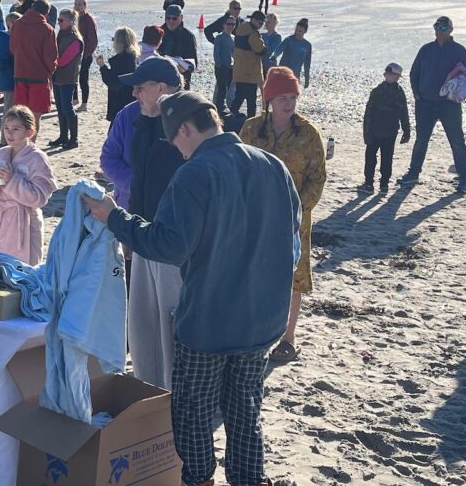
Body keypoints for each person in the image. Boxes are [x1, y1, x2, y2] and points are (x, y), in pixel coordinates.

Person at [84, 90, 301, 486]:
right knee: (245, 409)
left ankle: (200, 479)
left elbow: (169, 246)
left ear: (184, 128)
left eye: (175, 141)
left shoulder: (195, 172)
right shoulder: (273, 166)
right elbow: (293, 244)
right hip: (263, 320)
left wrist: (116, 218)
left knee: (193, 411)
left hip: (208, 322)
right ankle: (249, 479)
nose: (179, 152)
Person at [240, 66, 326, 363]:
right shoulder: (251, 129)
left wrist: (297, 209)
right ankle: (253, 331)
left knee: (293, 277)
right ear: (269, 100)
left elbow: (317, 178)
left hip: (293, 220)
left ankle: (288, 338)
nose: (288, 104)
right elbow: (239, 169)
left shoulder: (309, 133)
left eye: (293, 97)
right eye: (282, 98)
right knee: (252, 271)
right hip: (255, 217)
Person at [111, 57, 185, 391]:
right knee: (141, 322)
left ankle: (172, 394)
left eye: (141, 87)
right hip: (142, 235)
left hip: (172, 242)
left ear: (162, 88)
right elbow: (137, 182)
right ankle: (148, 391)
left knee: (170, 324)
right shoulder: (138, 121)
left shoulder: (184, 128)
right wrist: (129, 231)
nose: (135, 92)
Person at [399, 16, 466, 194]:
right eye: (436, 27)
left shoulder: (459, 50)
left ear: (450, 30)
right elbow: (414, 73)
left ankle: (464, 177)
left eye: (443, 27)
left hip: (449, 105)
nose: (439, 31)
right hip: (425, 103)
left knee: (456, 141)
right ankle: (413, 174)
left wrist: (459, 93)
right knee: (421, 140)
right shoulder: (426, 49)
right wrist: (416, 93)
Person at [0, 106, 57, 264]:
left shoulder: (37, 159)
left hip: (25, 222)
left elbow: (39, 198)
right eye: (6, 128)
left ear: (29, 132)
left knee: (23, 270)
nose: (9, 133)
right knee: (0, 267)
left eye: (16, 129)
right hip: (3, 219)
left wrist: (12, 180)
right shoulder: (2, 154)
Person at [9, 0, 57, 138]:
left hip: (20, 73)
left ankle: (20, 144)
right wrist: (50, 72)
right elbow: (51, 57)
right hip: (39, 76)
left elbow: (12, 48)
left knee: (20, 115)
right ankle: (30, 145)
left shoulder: (17, 24)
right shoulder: (47, 29)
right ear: (46, 13)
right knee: (35, 116)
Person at [359, 63, 411, 194]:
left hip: (389, 131)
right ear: (385, 75)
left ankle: (383, 184)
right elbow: (368, 113)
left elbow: (404, 113)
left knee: (386, 158)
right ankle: (370, 183)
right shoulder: (377, 91)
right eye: (389, 74)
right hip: (376, 130)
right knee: (372, 157)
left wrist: (406, 130)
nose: (392, 77)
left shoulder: (398, 93)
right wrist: (366, 132)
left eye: (394, 75)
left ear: (398, 77)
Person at [50, 9, 84, 149]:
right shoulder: (61, 34)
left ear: (71, 21)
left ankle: (74, 138)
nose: (59, 23)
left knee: (67, 108)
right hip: (58, 76)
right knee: (60, 107)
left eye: (61, 20)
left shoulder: (75, 39)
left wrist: (50, 61)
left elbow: (64, 60)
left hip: (68, 77)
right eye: (58, 20)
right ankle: (63, 136)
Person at [98, 26, 139, 125]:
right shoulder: (132, 57)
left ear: (119, 42)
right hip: (129, 100)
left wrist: (102, 67)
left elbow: (114, 83)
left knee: (116, 130)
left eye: (114, 40)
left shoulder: (121, 60)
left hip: (121, 102)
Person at [230, 10, 267, 118]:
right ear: (253, 20)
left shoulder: (241, 28)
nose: (260, 26)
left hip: (239, 71)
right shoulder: (252, 33)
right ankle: (251, 120)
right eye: (259, 23)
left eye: (262, 24)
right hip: (250, 73)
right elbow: (260, 49)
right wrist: (263, 45)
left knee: (239, 96)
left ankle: (232, 115)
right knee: (251, 101)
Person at [159, 4, 198, 90]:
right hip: (160, 79)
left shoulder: (188, 36)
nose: (171, 21)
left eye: (174, 18)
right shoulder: (158, 33)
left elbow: (193, 62)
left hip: (180, 80)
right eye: (168, 18)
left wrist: (179, 64)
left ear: (181, 18)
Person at [0, 12, 19, 144]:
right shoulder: (4, 38)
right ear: (10, 24)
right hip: (9, 78)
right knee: (8, 110)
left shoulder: (14, 37)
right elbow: (2, 61)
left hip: (14, 77)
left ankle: (10, 139)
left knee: (13, 110)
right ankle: (4, 140)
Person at [272, 18, 312, 88]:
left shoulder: (307, 45)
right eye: (296, 30)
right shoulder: (289, 40)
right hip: (283, 73)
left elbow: (307, 63)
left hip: (295, 75)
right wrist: (274, 56)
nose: (297, 32)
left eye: (300, 31)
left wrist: (307, 79)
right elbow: (279, 49)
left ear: (305, 31)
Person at [73, 0, 98, 111]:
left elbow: (93, 40)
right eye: (76, 4)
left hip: (85, 54)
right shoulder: (73, 17)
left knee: (83, 78)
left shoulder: (88, 19)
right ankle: (74, 99)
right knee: (73, 77)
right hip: (74, 54)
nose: (77, 6)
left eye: (80, 4)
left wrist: (87, 53)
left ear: (84, 6)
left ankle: (84, 103)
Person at [213, 16, 235, 115]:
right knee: (221, 89)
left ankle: (229, 106)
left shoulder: (233, 37)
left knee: (230, 89)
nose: (230, 26)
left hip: (230, 67)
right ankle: (219, 107)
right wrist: (219, 64)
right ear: (224, 25)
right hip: (221, 67)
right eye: (228, 24)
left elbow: (234, 53)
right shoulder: (220, 37)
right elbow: (216, 52)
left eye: (233, 24)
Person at [261, 13, 282, 78]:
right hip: (260, 66)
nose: (266, 24)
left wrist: (262, 43)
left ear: (275, 23)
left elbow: (271, 51)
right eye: (266, 22)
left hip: (270, 67)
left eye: (269, 22)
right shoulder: (262, 35)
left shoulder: (277, 36)